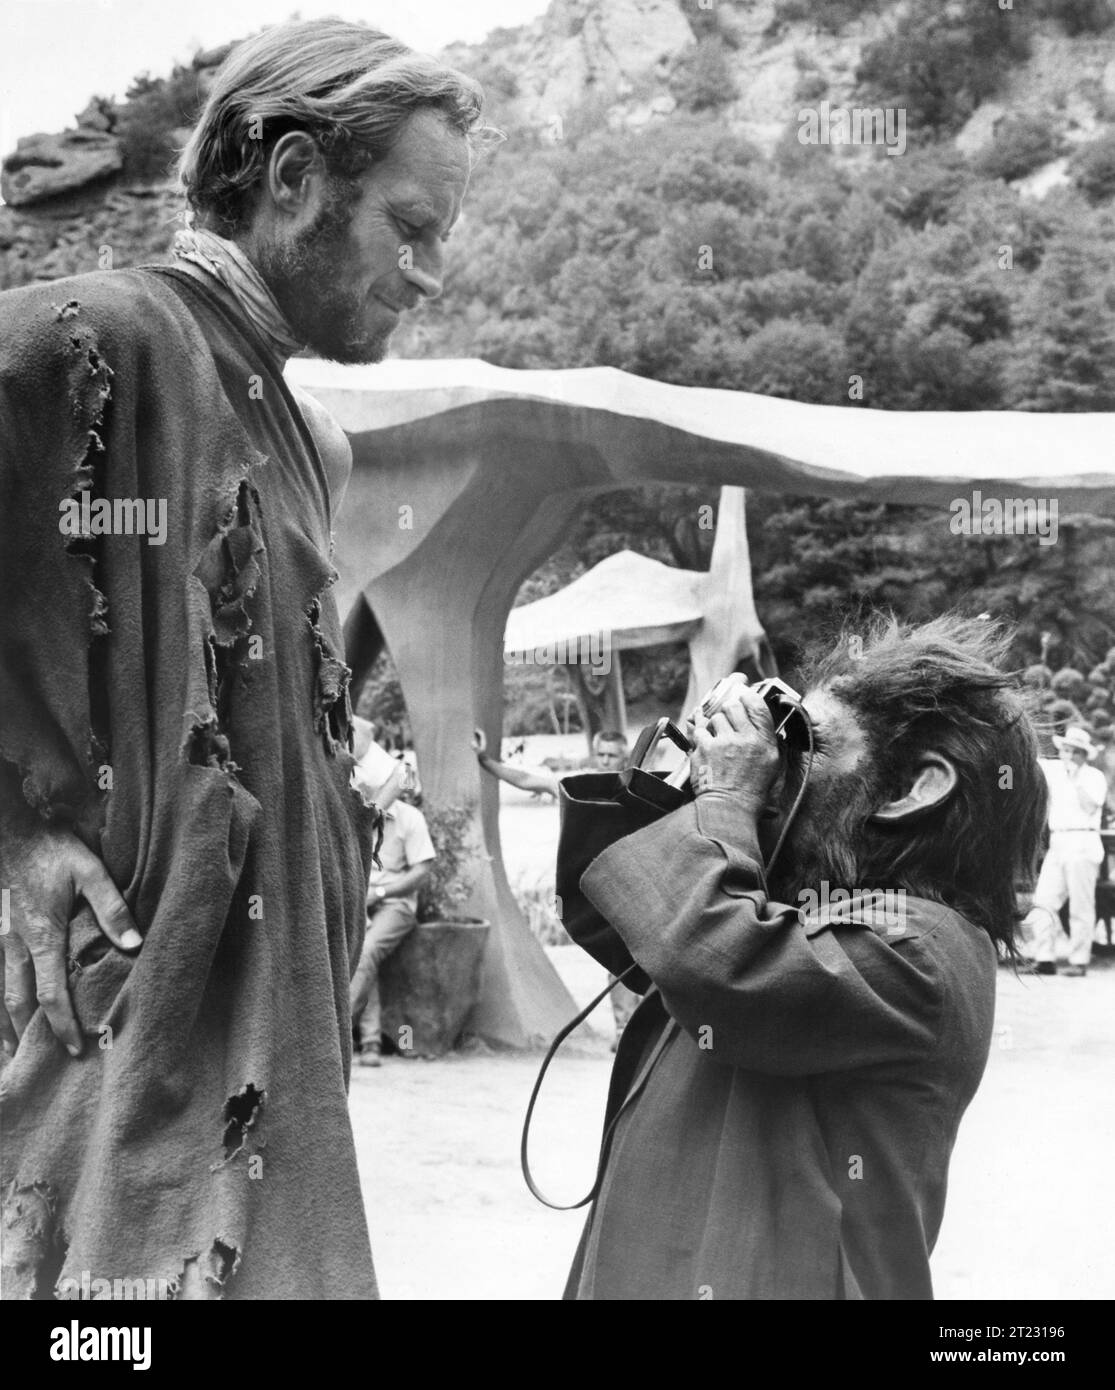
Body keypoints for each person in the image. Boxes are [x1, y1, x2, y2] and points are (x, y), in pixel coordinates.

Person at [0, 20, 482, 1299]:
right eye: (410, 226)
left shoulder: (310, 440)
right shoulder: (89, 338)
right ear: (293, 180)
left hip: (277, 1075)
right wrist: (17, 835)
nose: (429, 272)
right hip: (124, 1080)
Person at [558, 616, 1047, 1300]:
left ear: (914, 789)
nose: (777, 763)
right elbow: (613, 916)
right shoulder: (800, 912)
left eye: (808, 744)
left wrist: (729, 799)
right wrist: (691, 790)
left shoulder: (924, 951)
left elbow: (714, 963)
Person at [472, 727, 639, 1041]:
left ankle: (644, 1028)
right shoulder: (581, 786)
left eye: (611, 755)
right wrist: (485, 760)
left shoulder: (637, 787)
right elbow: (527, 780)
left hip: (638, 879)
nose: (604, 761)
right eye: (600, 754)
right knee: (618, 955)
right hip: (600, 884)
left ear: (625, 756)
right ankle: (624, 1029)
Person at [350, 793, 436, 1068]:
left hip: (394, 904)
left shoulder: (409, 817)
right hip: (355, 901)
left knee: (366, 949)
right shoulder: (352, 811)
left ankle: (335, 1032)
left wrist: (381, 892)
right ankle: (370, 1043)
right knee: (360, 952)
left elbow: (422, 870)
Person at [1023, 725, 1108, 977]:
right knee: (1043, 901)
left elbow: (1091, 807)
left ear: (1083, 754)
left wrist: (1074, 778)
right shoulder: (1055, 773)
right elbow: (1022, 767)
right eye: (1065, 750)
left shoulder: (1093, 777)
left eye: (1073, 751)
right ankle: (1044, 958)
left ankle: (1079, 960)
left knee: (1081, 905)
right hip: (1059, 842)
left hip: (1083, 840)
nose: (1067, 756)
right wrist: (1003, 778)